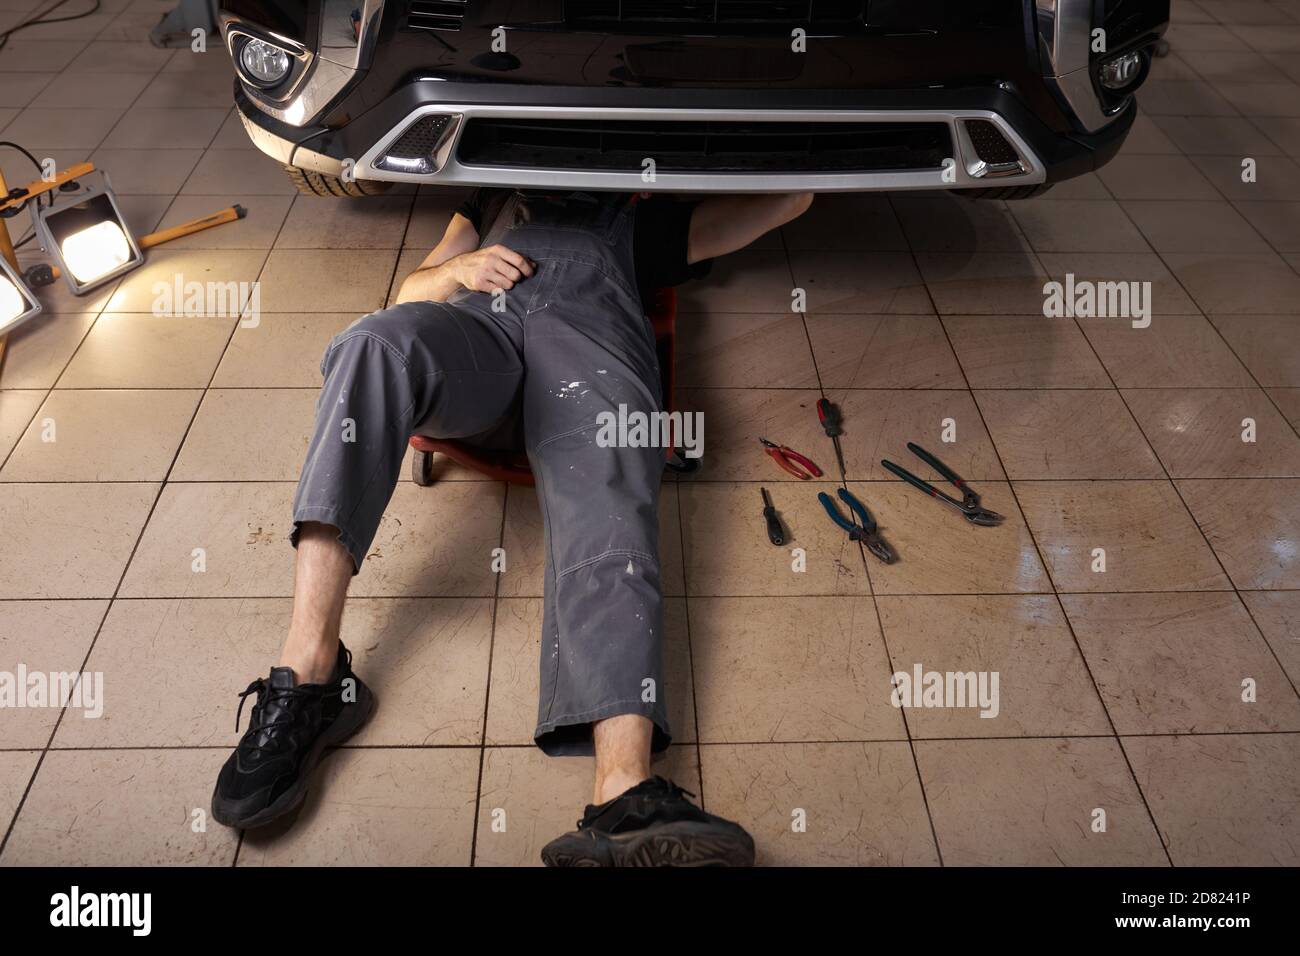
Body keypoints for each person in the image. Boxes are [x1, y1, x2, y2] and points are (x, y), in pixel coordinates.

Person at [210, 186, 814, 866]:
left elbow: (780, 205)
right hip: (480, 345)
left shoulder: (645, 213)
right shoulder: (490, 184)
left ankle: (624, 792)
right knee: (371, 343)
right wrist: (452, 274)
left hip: (591, 347)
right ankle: (311, 678)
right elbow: (413, 290)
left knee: (610, 483)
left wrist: (825, 146)